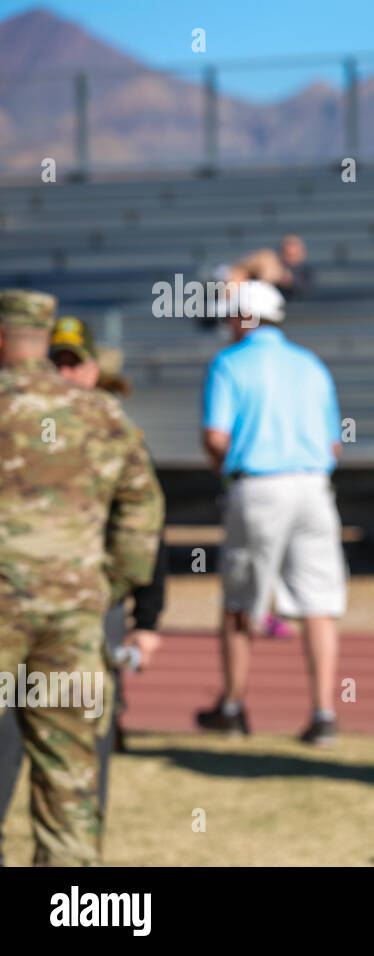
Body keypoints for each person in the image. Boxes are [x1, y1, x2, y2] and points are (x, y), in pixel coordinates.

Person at [0, 289, 163, 865]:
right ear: (44, 341)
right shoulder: (102, 414)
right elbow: (143, 516)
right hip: (72, 619)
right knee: (69, 779)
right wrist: (105, 586)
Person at [197, 281, 348, 747]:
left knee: (241, 601)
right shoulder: (311, 364)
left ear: (245, 317)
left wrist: (227, 470)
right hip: (314, 487)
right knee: (319, 604)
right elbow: (334, 444)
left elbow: (216, 437)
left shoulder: (229, 363)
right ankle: (323, 713)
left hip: (258, 486)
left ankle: (234, 706)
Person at [225, 234, 314, 301]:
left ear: (302, 254)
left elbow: (299, 288)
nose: (290, 260)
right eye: (287, 254)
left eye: (294, 255)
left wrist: (281, 275)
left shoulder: (306, 273)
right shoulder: (270, 265)